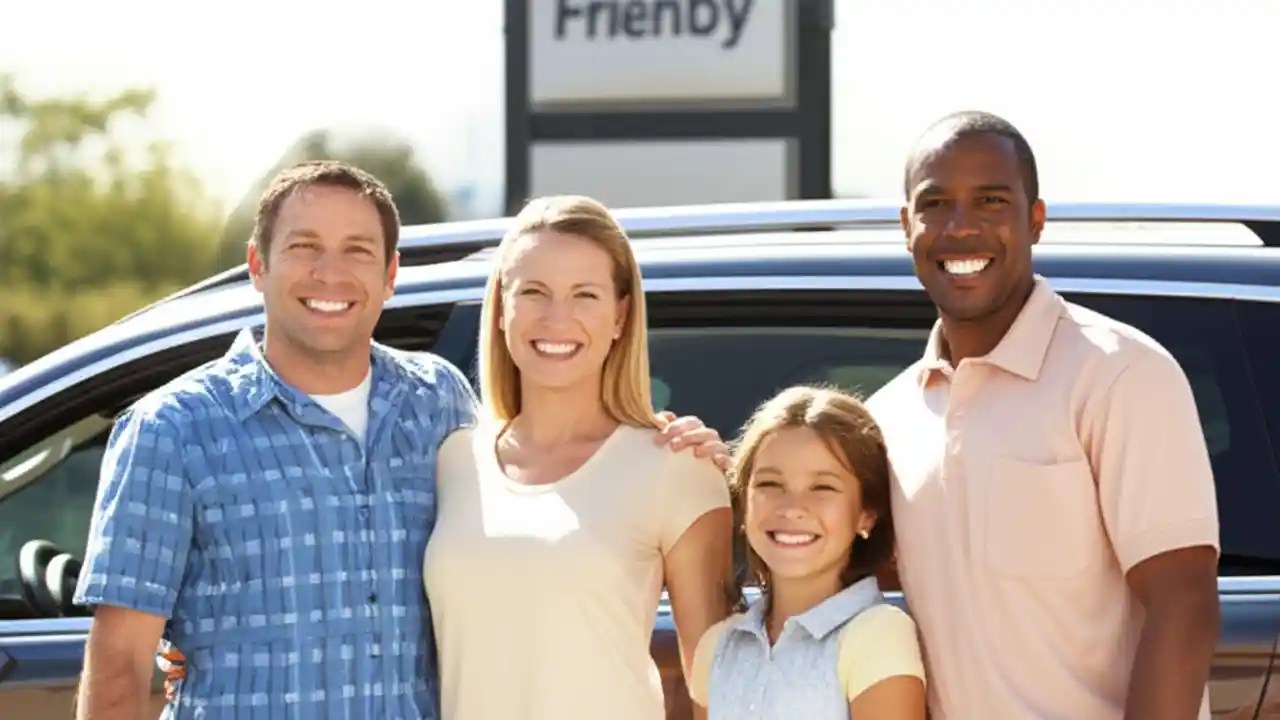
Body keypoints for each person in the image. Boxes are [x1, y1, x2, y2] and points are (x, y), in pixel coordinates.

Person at [72, 162, 726, 719]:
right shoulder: (173, 430)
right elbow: (120, 668)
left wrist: (716, 461)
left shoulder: (437, 406)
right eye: (304, 246)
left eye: (357, 250)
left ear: (390, 274)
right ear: (256, 265)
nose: (330, 273)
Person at [865, 110, 1221, 719]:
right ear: (906, 226)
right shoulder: (888, 417)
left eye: (991, 201)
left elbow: (1183, 603)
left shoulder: (1119, 373)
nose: (961, 226)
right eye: (936, 203)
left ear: (1035, 220)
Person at [423, 195, 735, 720]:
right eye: (534, 292)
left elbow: (717, 691)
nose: (557, 318)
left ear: (620, 316)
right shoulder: (452, 460)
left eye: (584, 295)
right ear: (500, 308)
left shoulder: (676, 465)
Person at [688, 385, 926, 719]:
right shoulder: (718, 646)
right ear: (743, 501)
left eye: (823, 487)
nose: (792, 508)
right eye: (770, 484)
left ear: (866, 514)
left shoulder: (876, 634)